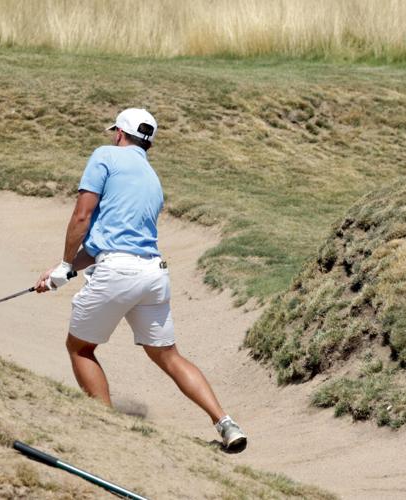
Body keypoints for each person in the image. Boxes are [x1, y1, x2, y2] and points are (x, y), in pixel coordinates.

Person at [35, 108, 247, 452]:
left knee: (80, 348)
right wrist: (65, 271)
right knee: (169, 356)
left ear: (120, 133)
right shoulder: (152, 178)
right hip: (153, 275)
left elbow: (82, 215)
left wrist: (63, 263)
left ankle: (104, 427)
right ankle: (226, 423)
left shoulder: (105, 156)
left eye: (113, 133)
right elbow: (115, 242)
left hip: (117, 272)